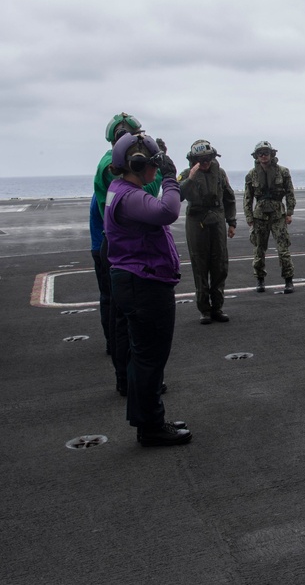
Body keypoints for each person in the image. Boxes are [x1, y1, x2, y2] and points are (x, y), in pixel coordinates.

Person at [104, 132, 192, 447]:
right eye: (152, 164)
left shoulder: (120, 190)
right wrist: (171, 178)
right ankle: (152, 427)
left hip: (135, 281)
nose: (156, 169)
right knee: (150, 357)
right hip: (145, 285)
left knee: (143, 356)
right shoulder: (129, 196)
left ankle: (148, 419)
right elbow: (167, 211)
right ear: (137, 163)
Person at [91, 112, 163, 395]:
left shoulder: (107, 162)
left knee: (116, 310)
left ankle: (125, 372)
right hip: (120, 245)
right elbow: (148, 197)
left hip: (107, 241)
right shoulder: (113, 166)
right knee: (126, 317)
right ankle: (128, 379)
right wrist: (160, 173)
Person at [179, 140, 237, 324]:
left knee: (220, 264)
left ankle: (217, 307)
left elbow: (229, 197)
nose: (205, 163)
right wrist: (190, 179)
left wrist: (232, 222)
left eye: (208, 159)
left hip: (217, 220)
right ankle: (204, 309)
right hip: (196, 222)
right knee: (200, 264)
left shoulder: (219, 173)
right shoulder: (186, 174)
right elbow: (177, 195)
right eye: (201, 160)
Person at [244, 141, 296, 294]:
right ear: (256, 156)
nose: (263, 156)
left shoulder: (283, 172)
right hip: (259, 216)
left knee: (283, 249)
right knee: (259, 250)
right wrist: (249, 216)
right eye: (260, 153)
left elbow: (290, 192)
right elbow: (248, 198)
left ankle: (288, 280)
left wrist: (289, 212)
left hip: (278, 215)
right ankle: (260, 279)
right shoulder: (251, 175)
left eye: (266, 152)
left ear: (272, 154)